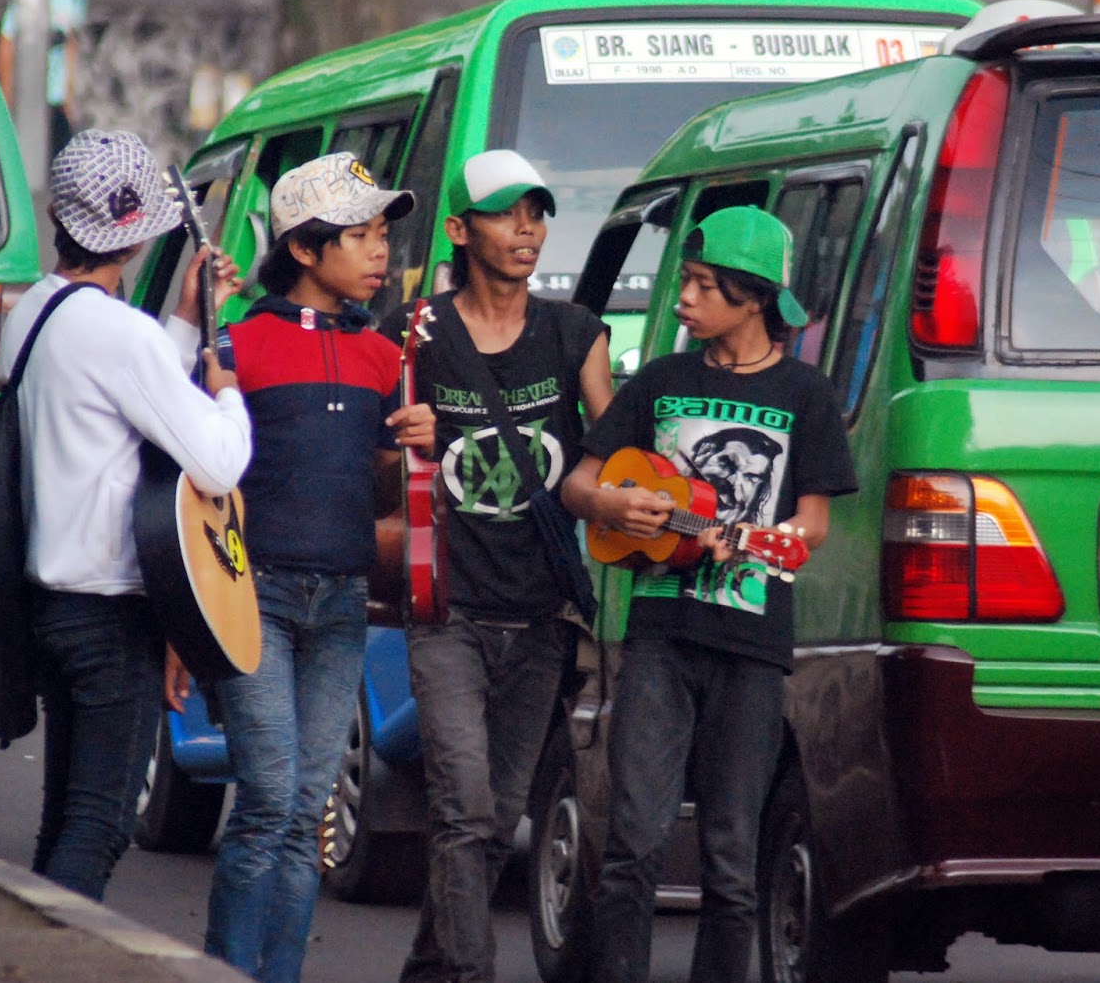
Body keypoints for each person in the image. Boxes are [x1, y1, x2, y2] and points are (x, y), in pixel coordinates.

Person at [560, 205, 858, 983]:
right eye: (686, 281)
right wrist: (612, 506)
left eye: (700, 285)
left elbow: (812, 525)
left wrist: (757, 538)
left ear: (751, 296)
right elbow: (582, 480)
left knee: (732, 861)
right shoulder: (660, 382)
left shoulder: (807, 394)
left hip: (753, 649)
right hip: (658, 637)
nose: (684, 298)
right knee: (634, 843)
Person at [0, 129, 252, 901]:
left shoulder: (35, 314)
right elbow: (219, 460)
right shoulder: (118, 335)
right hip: (110, 615)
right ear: (138, 230)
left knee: (62, 817)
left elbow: (115, 401)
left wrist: (177, 320)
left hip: (47, 603)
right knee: (101, 825)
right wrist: (225, 382)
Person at [199, 152, 435, 983]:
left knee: (306, 813)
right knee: (266, 801)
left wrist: (417, 448)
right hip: (252, 599)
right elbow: (196, 488)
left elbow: (386, 489)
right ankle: (224, 970)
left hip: (340, 607)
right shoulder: (237, 344)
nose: (382, 253)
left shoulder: (384, 355)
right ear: (305, 249)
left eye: (383, 235)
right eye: (362, 236)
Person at [399, 148, 613, 983]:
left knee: (493, 827)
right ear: (459, 229)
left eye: (537, 212)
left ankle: (429, 971)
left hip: (541, 618)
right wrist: (404, 449)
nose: (528, 229)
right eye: (505, 213)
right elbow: (382, 478)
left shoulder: (574, 333)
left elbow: (614, 456)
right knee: (464, 812)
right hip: (446, 610)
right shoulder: (418, 334)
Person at [0, 0, 90, 161]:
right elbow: (6, 45)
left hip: (54, 98)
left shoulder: (75, 0)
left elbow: (70, 48)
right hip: (28, 97)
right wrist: (7, 96)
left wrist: (69, 96)